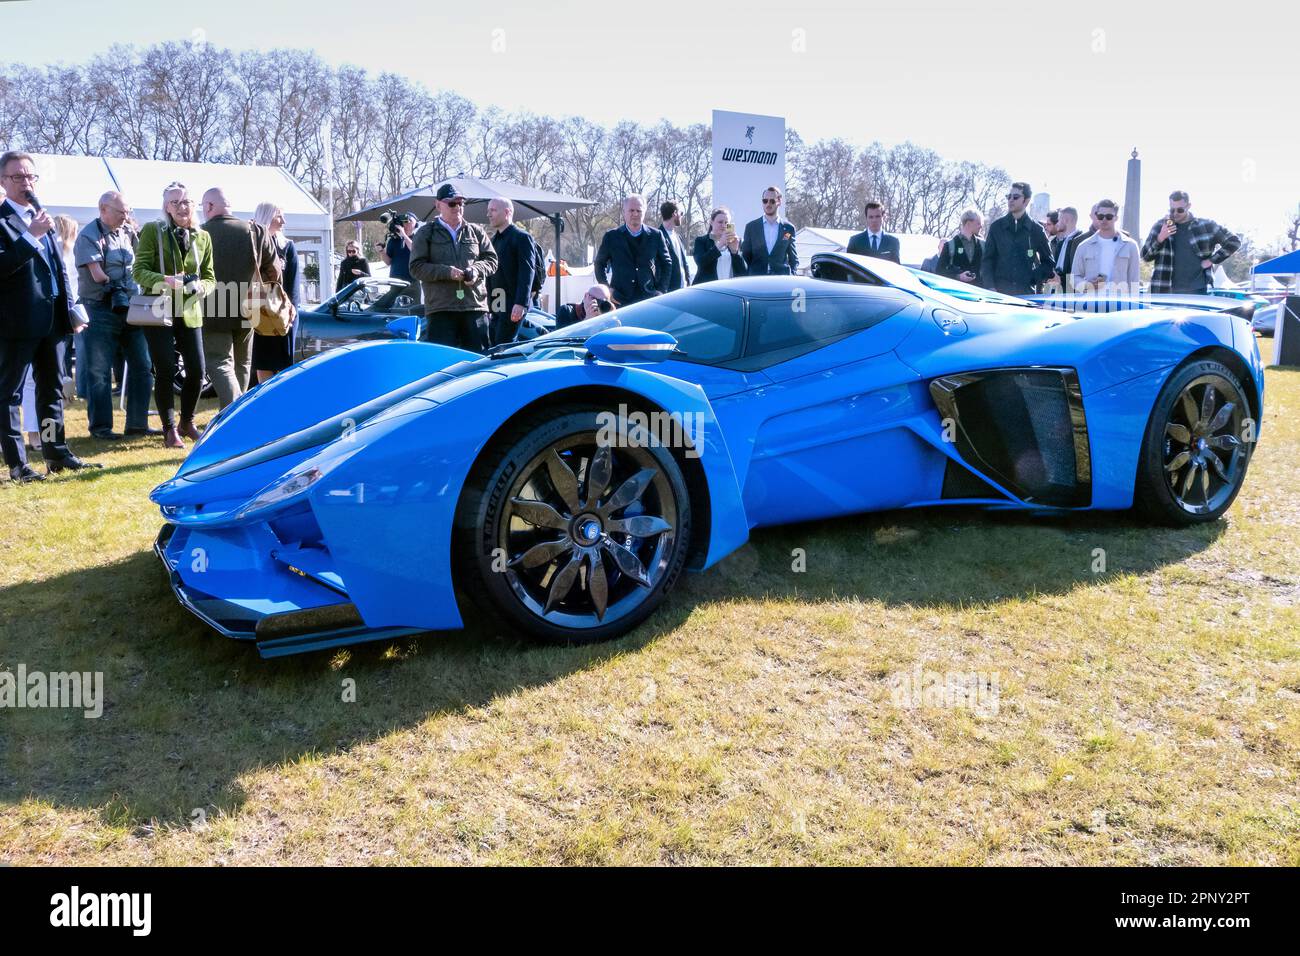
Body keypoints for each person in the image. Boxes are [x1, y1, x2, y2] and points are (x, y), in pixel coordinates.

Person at [0, 151, 96, 481]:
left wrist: (72, 310)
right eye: (18, 177)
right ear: (3, 181)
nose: (26, 183)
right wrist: (31, 237)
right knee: (10, 393)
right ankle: (17, 463)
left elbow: (60, 270)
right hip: (16, 322)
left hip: (54, 320)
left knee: (51, 389)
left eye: (30, 177)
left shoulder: (43, 216)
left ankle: (55, 452)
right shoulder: (3, 221)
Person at [133, 181, 215, 449]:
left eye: (187, 202)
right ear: (166, 207)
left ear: (194, 206)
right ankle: (169, 429)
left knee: (197, 371)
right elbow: (139, 271)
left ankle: (187, 422)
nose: (182, 207)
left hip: (190, 311)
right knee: (166, 369)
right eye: (175, 202)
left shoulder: (203, 237)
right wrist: (164, 280)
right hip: (159, 310)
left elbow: (211, 277)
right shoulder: (152, 230)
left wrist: (202, 286)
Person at [76, 190, 156, 439]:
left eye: (127, 211)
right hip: (100, 307)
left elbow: (139, 264)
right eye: (121, 212)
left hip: (131, 307)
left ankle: (137, 424)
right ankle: (100, 428)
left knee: (143, 367)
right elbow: (97, 274)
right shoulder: (88, 235)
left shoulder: (128, 232)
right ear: (103, 209)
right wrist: (117, 286)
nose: (125, 216)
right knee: (99, 372)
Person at [201, 187, 279, 407]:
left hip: (212, 307)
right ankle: (238, 411)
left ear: (209, 206)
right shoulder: (256, 231)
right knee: (242, 362)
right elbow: (274, 272)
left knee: (219, 361)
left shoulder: (199, 233)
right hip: (250, 304)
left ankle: (233, 410)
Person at [409, 183, 498, 351]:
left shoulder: (476, 231)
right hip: (441, 309)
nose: (457, 207)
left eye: (460, 203)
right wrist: (447, 272)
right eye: (451, 203)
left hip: (474, 307)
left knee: (479, 362)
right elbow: (416, 267)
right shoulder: (426, 233)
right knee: (443, 364)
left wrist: (476, 270)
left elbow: (492, 260)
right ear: (438, 205)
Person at [1141, 190, 1242, 295]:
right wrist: (1160, 238)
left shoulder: (1206, 225)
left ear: (1189, 206)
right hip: (1164, 290)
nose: (1175, 214)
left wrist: (1212, 260)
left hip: (1197, 291)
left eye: (1180, 210)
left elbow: (1234, 242)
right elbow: (1145, 256)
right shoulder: (1160, 226)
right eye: (1172, 210)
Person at [250, 203, 299, 382]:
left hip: (283, 314)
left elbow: (293, 283)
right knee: (263, 363)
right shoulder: (252, 245)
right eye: (279, 216)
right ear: (267, 216)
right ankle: (264, 403)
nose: (283, 221)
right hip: (260, 312)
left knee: (284, 365)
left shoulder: (287, 247)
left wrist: (292, 310)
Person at [980, 181, 1056, 295]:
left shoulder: (1036, 230)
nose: (1010, 200)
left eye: (1015, 197)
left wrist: (1032, 277)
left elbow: (1049, 263)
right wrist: (990, 287)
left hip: (1025, 295)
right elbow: (987, 261)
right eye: (1008, 196)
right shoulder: (996, 227)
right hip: (998, 295)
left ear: (1026, 200)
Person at [594, 195, 672, 304]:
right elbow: (599, 264)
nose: (635, 214)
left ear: (644, 212)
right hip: (619, 300)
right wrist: (607, 290)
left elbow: (667, 264)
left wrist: (661, 290)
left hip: (649, 299)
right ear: (624, 212)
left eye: (639, 211)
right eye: (631, 210)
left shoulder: (656, 236)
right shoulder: (611, 237)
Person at [485, 197, 536, 347]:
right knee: (494, 342)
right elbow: (491, 274)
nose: (488, 214)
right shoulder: (493, 240)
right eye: (488, 210)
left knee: (504, 345)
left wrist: (521, 303)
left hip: (514, 302)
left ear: (507, 212)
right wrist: (489, 306)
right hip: (497, 301)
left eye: (493, 210)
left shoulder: (522, 237)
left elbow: (527, 272)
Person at [1071, 199, 1141, 295]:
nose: (1104, 220)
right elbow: (1073, 277)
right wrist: (1087, 285)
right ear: (1096, 216)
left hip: (1120, 305)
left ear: (1116, 218)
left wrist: (1133, 307)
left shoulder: (1130, 246)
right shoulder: (1084, 246)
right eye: (1100, 216)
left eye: (1108, 216)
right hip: (1091, 305)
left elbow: (1134, 282)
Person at [741, 185, 798, 275]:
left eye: (772, 201)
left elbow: (793, 258)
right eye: (765, 201)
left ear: (779, 202)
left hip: (781, 281)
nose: (768, 204)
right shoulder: (751, 227)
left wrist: (793, 275)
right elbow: (746, 256)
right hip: (756, 280)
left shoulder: (788, 229)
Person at [692, 207, 749, 284]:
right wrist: (720, 245)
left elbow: (743, 273)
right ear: (711, 222)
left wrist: (735, 252)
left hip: (730, 289)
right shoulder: (701, 241)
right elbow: (701, 263)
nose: (724, 225)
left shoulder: (736, 241)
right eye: (720, 222)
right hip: (708, 289)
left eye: (726, 223)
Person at [375, 212, 420, 310]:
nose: (406, 224)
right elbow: (388, 262)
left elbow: (415, 250)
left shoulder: (418, 238)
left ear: (415, 224)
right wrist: (382, 251)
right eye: (404, 222)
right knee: (393, 311)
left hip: (412, 283)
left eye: (409, 222)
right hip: (395, 283)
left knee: (413, 312)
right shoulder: (393, 240)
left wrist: (403, 234)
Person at [936, 209, 984, 283]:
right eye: (978, 223)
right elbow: (939, 271)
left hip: (978, 292)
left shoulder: (983, 245)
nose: (981, 226)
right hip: (956, 291)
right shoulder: (949, 245)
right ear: (968, 223)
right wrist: (958, 276)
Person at [658, 201, 692, 290]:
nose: (682, 216)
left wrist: (688, 283)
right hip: (668, 292)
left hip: (684, 290)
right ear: (674, 213)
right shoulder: (656, 236)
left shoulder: (678, 237)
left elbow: (684, 263)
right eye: (681, 213)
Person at [1051, 207, 1086, 291]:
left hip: (1072, 291)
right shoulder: (1061, 243)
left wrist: (1061, 280)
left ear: (1066, 220)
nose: (1057, 224)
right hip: (1057, 289)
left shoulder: (1082, 242)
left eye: (1059, 220)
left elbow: (1080, 271)